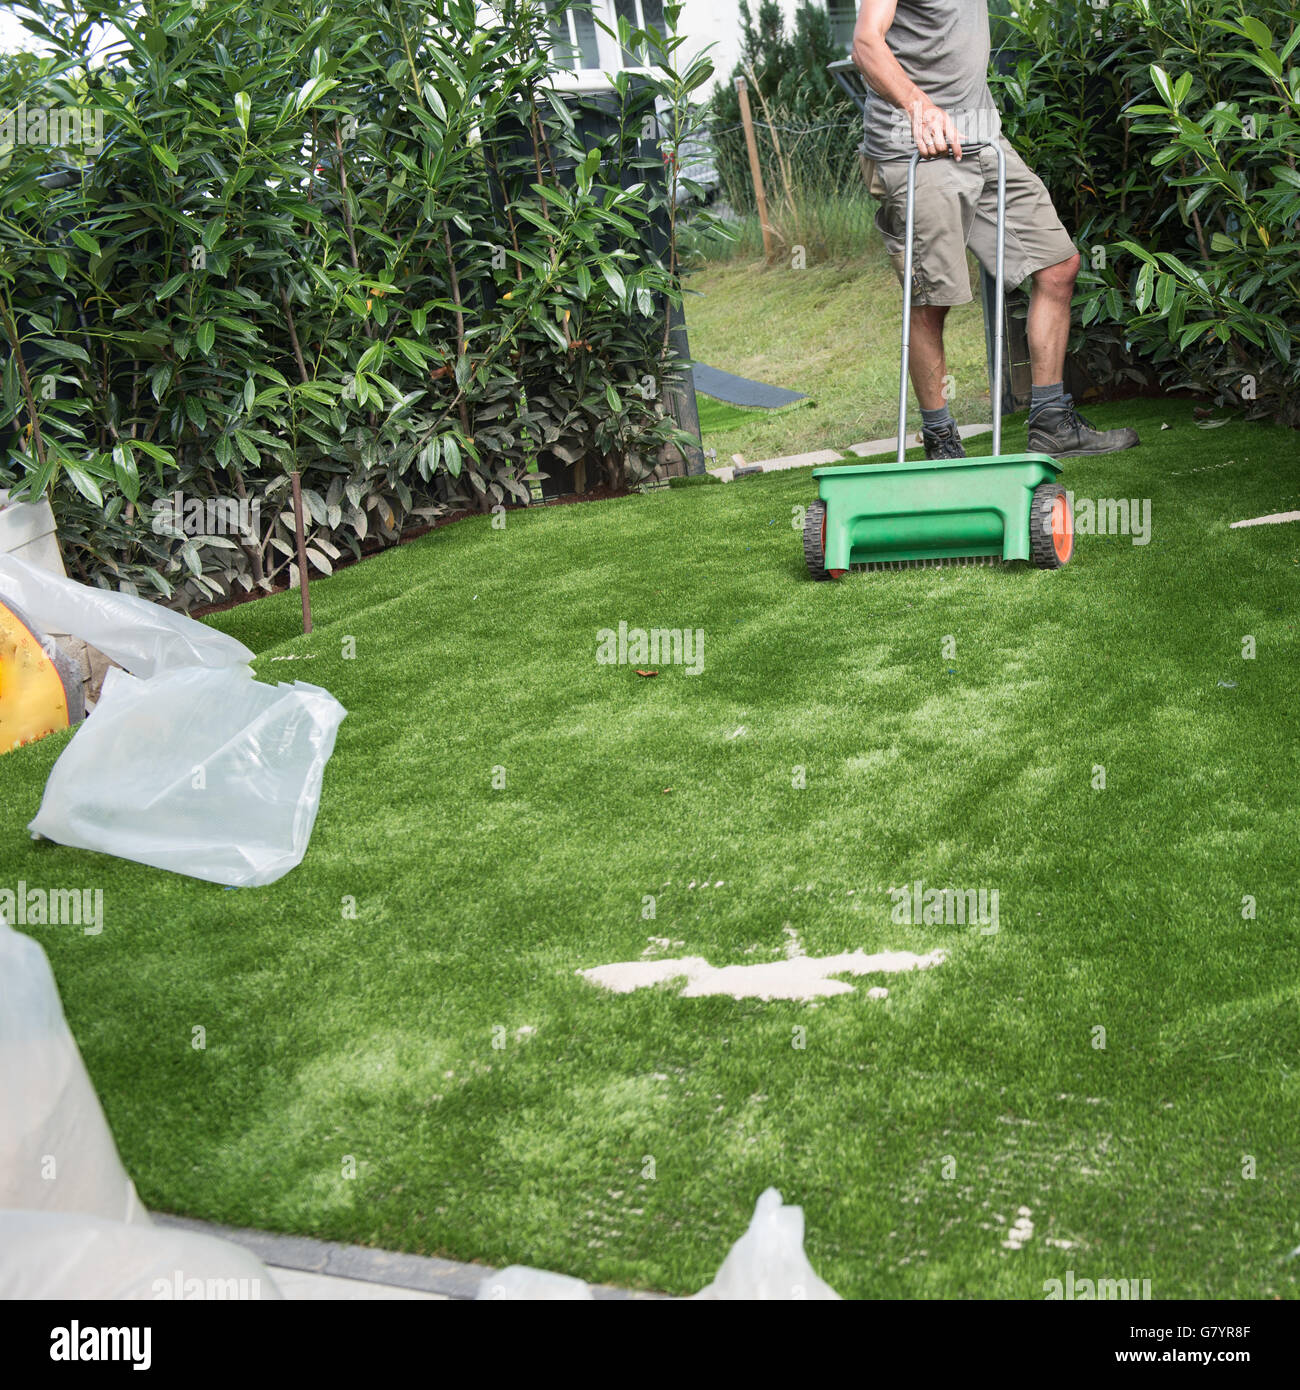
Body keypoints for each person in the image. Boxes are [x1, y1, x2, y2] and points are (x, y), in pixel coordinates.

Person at [853, 0, 1139, 459]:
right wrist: (918, 106)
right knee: (932, 299)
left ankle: (1050, 422)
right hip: (915, 146)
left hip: (982, 139)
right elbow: (866, 41)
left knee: (1057, 265)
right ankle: (941, 439)